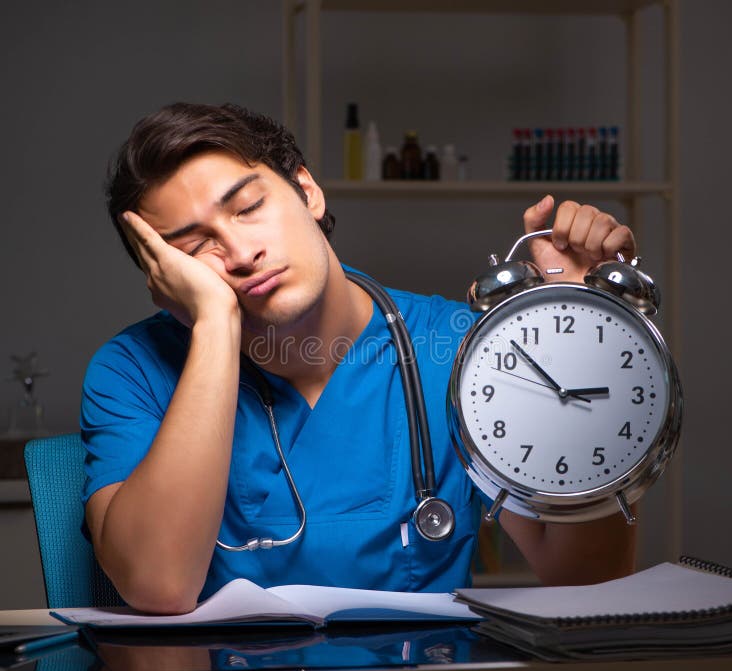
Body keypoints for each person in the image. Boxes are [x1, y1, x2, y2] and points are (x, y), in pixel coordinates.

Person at [82, 102, 638, 615]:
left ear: (307, 191)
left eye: (249, 207)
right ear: (164, 280)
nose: (242, 253)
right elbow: (159, 584)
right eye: (195, 247)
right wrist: (214, 326)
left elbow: (587, 576)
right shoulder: (132, 372)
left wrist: (578, 328)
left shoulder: (465, 351)